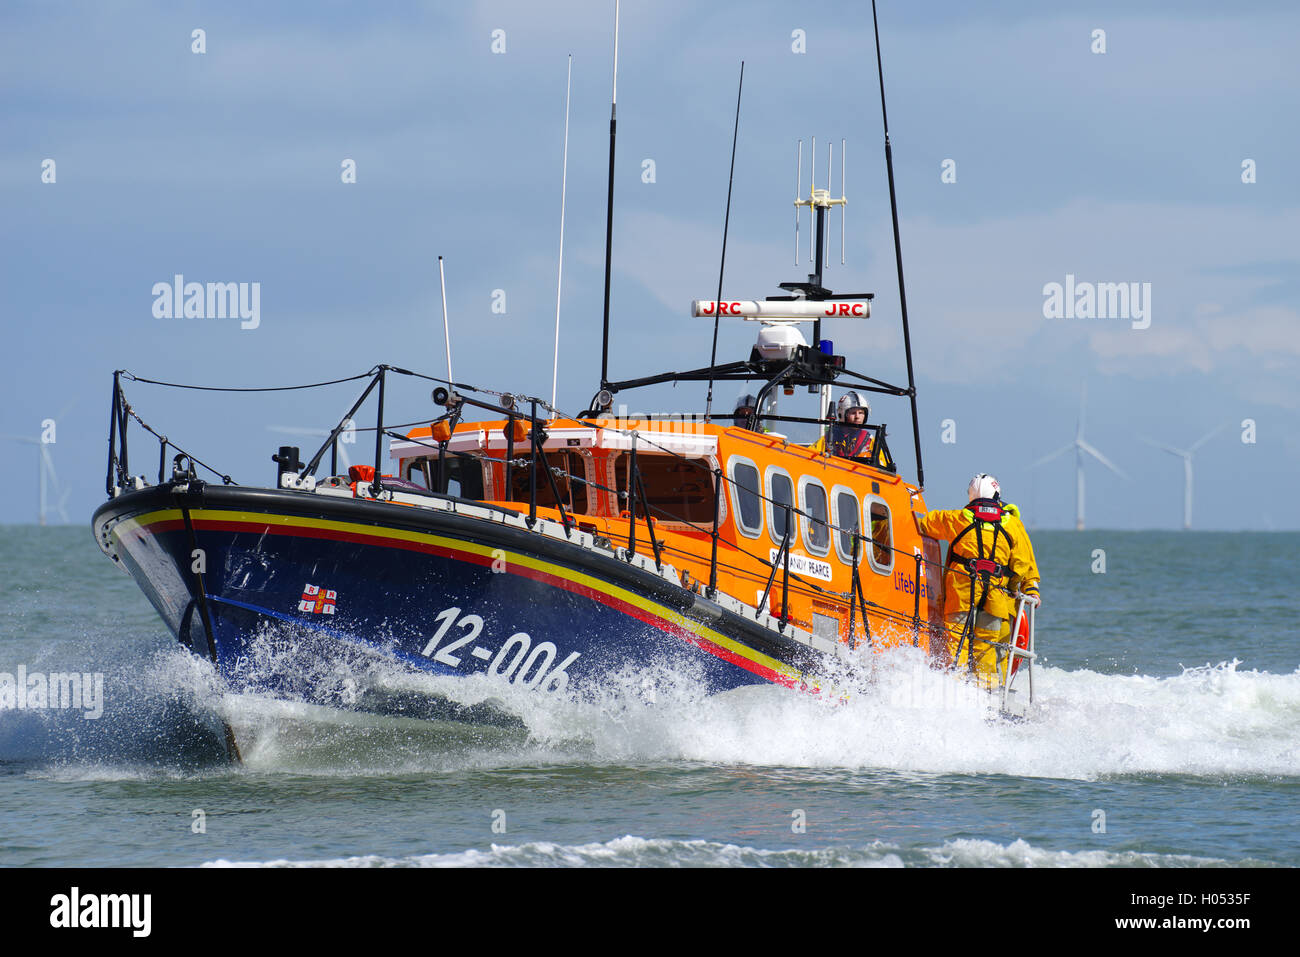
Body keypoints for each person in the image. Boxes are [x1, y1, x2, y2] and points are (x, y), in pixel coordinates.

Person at [916, 474, 1041, 690]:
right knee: (987, 650)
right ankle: (987, 696)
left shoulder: (957, 519)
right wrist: (1020, 588)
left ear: (971, 496)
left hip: (961, 594)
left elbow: (925, 523)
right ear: (997, 496)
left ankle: (955, 692)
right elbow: (1023, 562)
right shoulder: (1013, 525)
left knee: (957, 648)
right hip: (996, 598)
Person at [812, 391, 878, 461]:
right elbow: (810, 453)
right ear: (842, 414)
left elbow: (881, 463)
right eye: (853, 413)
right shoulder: (830, 438)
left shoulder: (869, 441)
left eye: (861, 413)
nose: (857, 417)